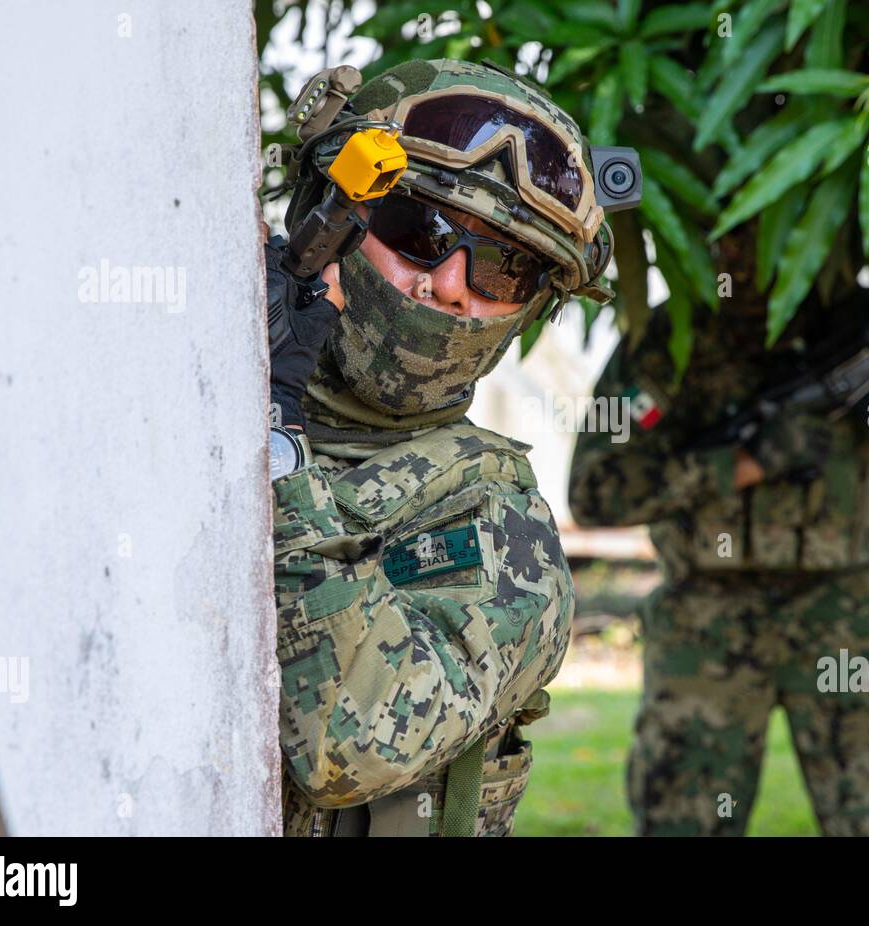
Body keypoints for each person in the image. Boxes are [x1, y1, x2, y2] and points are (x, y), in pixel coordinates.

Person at [266, 58, 617, 836]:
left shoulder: (502, 528)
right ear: (327, 211)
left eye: (503, 266)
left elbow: (346, 744)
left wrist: (274, 440)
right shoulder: (196, 405)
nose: (453, 284)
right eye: (417, 230)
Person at [568, 273, 869, 836]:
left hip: (840, 606)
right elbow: (596, 491)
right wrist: (741, 463)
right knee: (683, 817)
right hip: (706, 613)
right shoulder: (670, 336)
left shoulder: (861, 326)